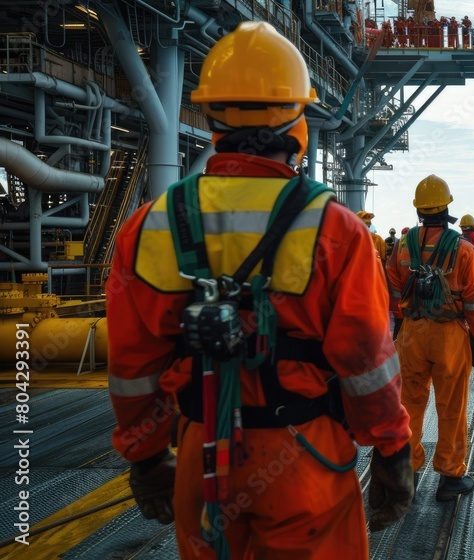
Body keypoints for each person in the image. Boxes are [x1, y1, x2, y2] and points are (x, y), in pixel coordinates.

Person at [106, 22, 413, 559]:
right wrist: (392, 449)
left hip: (203, 453)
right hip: (305, 457)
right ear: (297, 118)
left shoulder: (150, 225)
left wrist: (146, 455)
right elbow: (366, 356)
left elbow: (132, 364)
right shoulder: (336, 229)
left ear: (210, 117)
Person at [386, 175, 474, 502]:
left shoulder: (403, 246)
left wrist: (400, 325)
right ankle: (449, 475)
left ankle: (410, 470)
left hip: (412, 333)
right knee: (451, 406)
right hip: (449, 337)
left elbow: (391, 286)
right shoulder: (464, 250)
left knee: (409, 404)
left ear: (418, 210)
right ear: (446, 208)